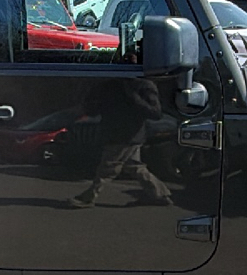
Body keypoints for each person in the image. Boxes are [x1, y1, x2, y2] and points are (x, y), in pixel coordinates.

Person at [68, 77, 173, 208]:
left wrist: (133, 96)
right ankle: (160, 195)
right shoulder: (111, 84)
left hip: (126, 135)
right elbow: (96, 108)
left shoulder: (142, 85)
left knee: (108, 167)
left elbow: (155, 113)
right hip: (119, 133)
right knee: (135, 167)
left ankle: (89, 197)